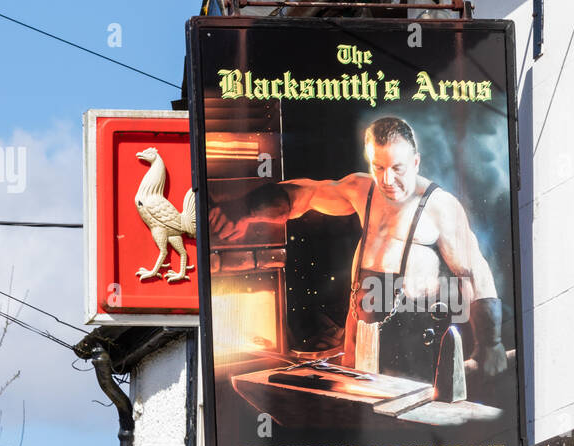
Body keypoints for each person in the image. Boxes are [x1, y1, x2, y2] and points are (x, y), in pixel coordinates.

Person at [208, 115, 508, 386]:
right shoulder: (362, 190)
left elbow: (474, 272)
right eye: (378, 167)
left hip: (413, 356)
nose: (388, 181)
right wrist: (246, 209)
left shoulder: (440, 207)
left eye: (397, 169)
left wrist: (490, 344)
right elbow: (304, 195)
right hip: (360, 357)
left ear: (415, 162)